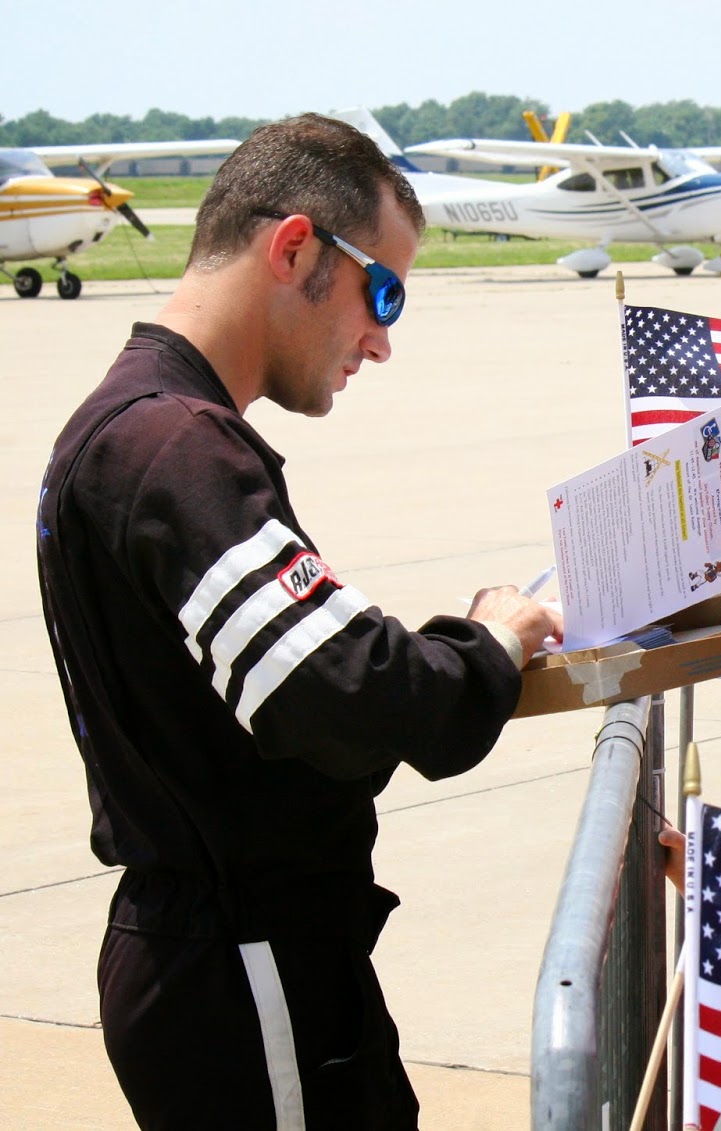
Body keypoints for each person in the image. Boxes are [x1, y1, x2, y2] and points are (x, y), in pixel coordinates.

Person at [35, 114, 562, 1130]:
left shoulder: (136, 426)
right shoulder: (174, 451)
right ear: (293, 249)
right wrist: (491, 641)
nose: (382, 339)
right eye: (384, 291)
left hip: (225, 961)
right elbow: (340, 693)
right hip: (245, 970)